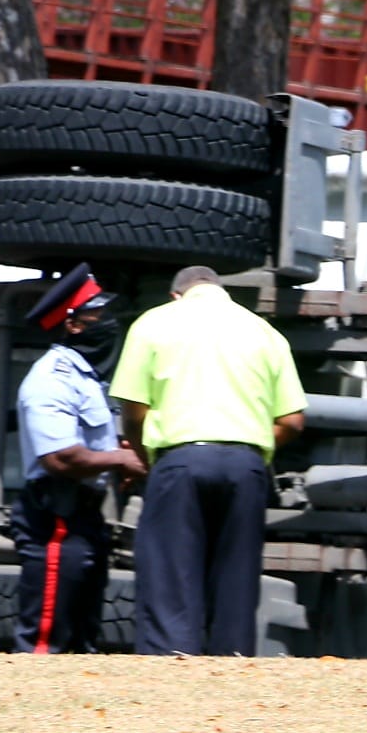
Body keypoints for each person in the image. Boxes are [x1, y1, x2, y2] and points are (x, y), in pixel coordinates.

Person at [111, 265, 307, 656]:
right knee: (236, 580)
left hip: (178, 460)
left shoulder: (153, 323)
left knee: (170, 580)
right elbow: (292, 421)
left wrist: (146, 452)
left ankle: (171, 673)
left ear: (176, 295)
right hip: (246, 463)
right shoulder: (264, 331)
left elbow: (133, 409)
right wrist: (243, 443)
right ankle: (229, 669)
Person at [13, 264, 145, 654]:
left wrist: (112, 454)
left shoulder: (84, 377)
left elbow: (91, 442)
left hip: (82, 516)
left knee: (81, 638)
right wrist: (120, 459)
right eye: (98, 314)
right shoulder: (51, 379)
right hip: (56, 516)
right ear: (72, 324)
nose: (107, 322)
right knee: (45, 640)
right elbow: (60, 458)